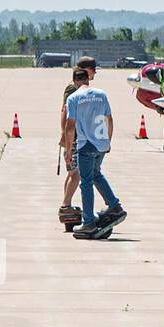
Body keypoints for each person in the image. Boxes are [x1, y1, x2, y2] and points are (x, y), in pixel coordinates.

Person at [62, 66, 127, 239]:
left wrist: (69, 150)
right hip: (102, 144)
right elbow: (110, 119)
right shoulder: (101, 94)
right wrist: (109, 141)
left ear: (76, 81)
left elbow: (70, 126)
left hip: (86, 145)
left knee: (86, 182)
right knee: (96, 173)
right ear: (87, 79)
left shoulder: (73, 97)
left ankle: (88, 222)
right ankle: (114, 205)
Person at [59, 58, 98, 217]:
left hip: (77, 136)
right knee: (76, 174)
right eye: (93, 70)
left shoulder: (78, 88)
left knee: (73, 173)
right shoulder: (73, 89)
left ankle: (66, 205)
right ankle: (65, 205)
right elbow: (65, 112)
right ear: (87, 70)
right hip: (74, 137)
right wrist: (64, 134)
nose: (94, 73)